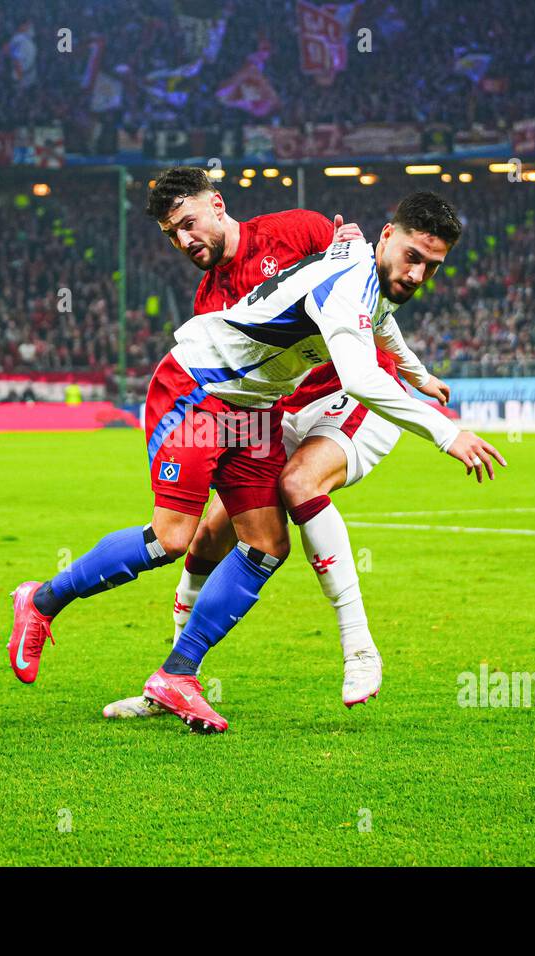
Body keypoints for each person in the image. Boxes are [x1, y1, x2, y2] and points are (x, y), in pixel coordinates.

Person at [8, 195, 504, 733]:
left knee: (267, 544)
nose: (418, 274)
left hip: (254, 408)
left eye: (431, 266)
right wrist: (446, 432)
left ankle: (177, 675)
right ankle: (41, 599)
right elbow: (362, 377)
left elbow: (379, 323)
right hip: (199, 391)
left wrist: (417, 372)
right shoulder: (346, 281)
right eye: (412, 256)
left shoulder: (366, 268)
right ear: (387, 236)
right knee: (174, 539)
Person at [104, 167, 451, 720]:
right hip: (277, 409)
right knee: (206, 536)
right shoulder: (208, 298)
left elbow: (370, 294)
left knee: (299, 483)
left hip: (351, 392)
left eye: (190, 223)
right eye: (173, 234)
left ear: (217, 206)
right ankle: (174, 678)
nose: (186, 239)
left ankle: (359, 646)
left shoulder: (297, 229)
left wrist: (416, 377)